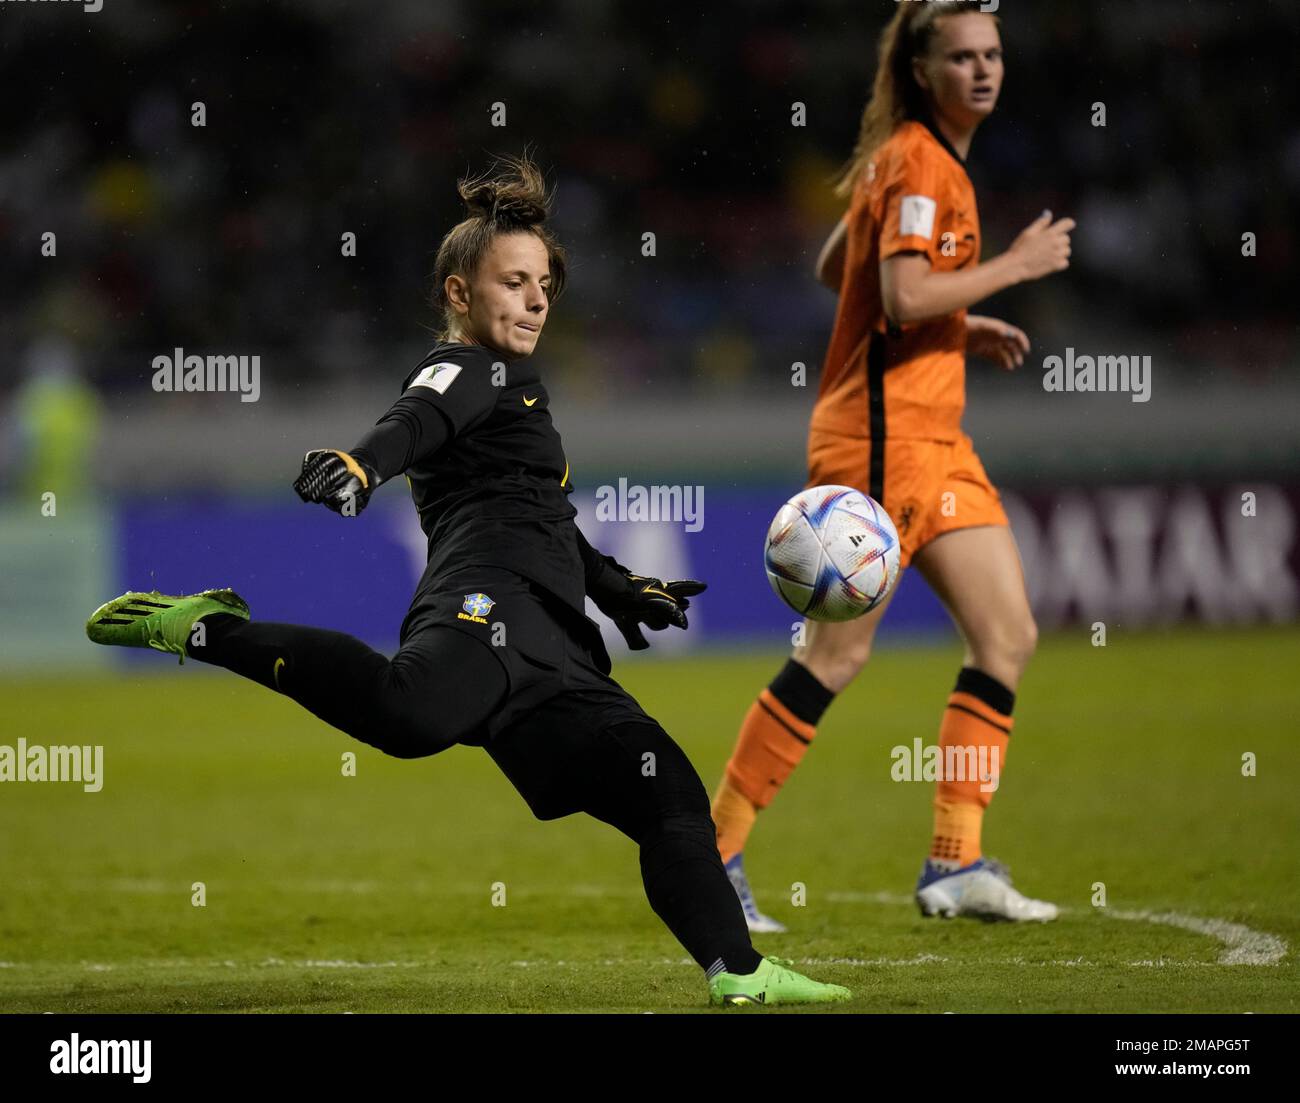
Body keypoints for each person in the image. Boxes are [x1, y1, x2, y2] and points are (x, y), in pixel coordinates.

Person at [86, 156, 849, 1007]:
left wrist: (617, 583)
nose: (534, 299)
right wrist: (359, 464)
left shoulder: (522, 391)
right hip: (483, 607)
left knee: (665, 787)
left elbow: (543, 518)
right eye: (513, 281)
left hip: (555, 652)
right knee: (409, 715)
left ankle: (738, 973)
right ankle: (206, 625)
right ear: (459, 292)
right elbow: (417, 417)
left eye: (544, 284)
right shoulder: (470, 370)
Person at [711, 1, 1074, 929]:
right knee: (838, 652)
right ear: (923, 71)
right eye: (962, 56)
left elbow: (845, 268)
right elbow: (901, 291)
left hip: (935, 439)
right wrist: (1012, 268)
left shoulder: (916, 159)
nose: (984, 71)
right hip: (879, 441)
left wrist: (955, 320)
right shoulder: (919, 158)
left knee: (1007, 636)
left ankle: (955, 862)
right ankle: (713, 853)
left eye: (993, 53)